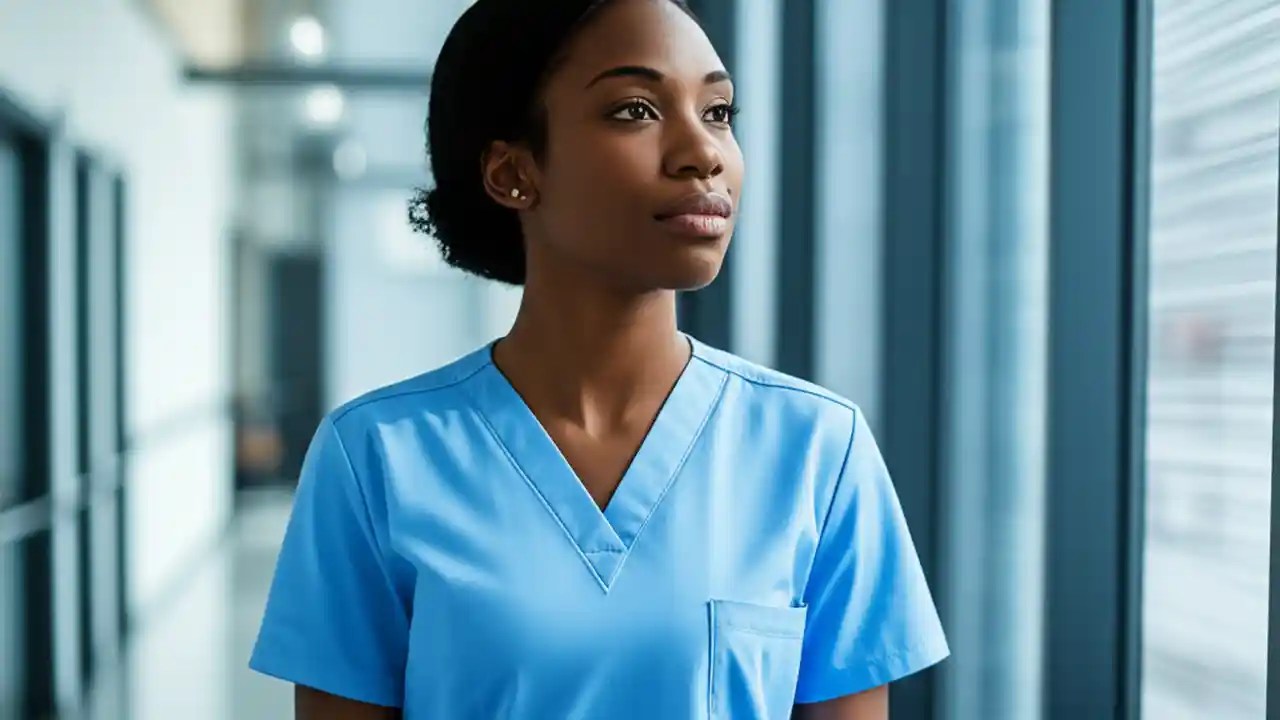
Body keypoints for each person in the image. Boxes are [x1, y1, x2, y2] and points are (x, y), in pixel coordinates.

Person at [248, 0, 948, 717]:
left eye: (717, 112)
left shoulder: (817, 451)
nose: (704, 154)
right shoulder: (376, 457)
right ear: (514, 173)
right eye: (635, 110)